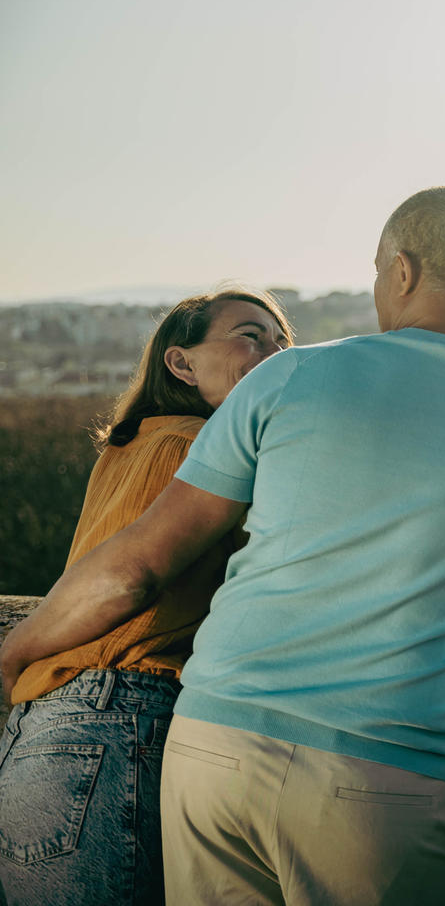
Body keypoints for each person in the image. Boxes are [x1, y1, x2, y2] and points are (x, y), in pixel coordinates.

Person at [0, 189, 445, 906]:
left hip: (211, 748)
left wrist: (15, 651)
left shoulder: (289, 376)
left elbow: (137, 565)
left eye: (378, 271)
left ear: (403, 271)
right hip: (377, 775)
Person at [0, 289, 291, 906]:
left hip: (67, 725)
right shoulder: (196, 448)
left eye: (280, 339)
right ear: (182, 364)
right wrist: (14, 650)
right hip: (118, 715)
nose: (273, 352)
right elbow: (129, 578)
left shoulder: (136, 444)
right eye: (250, 335)